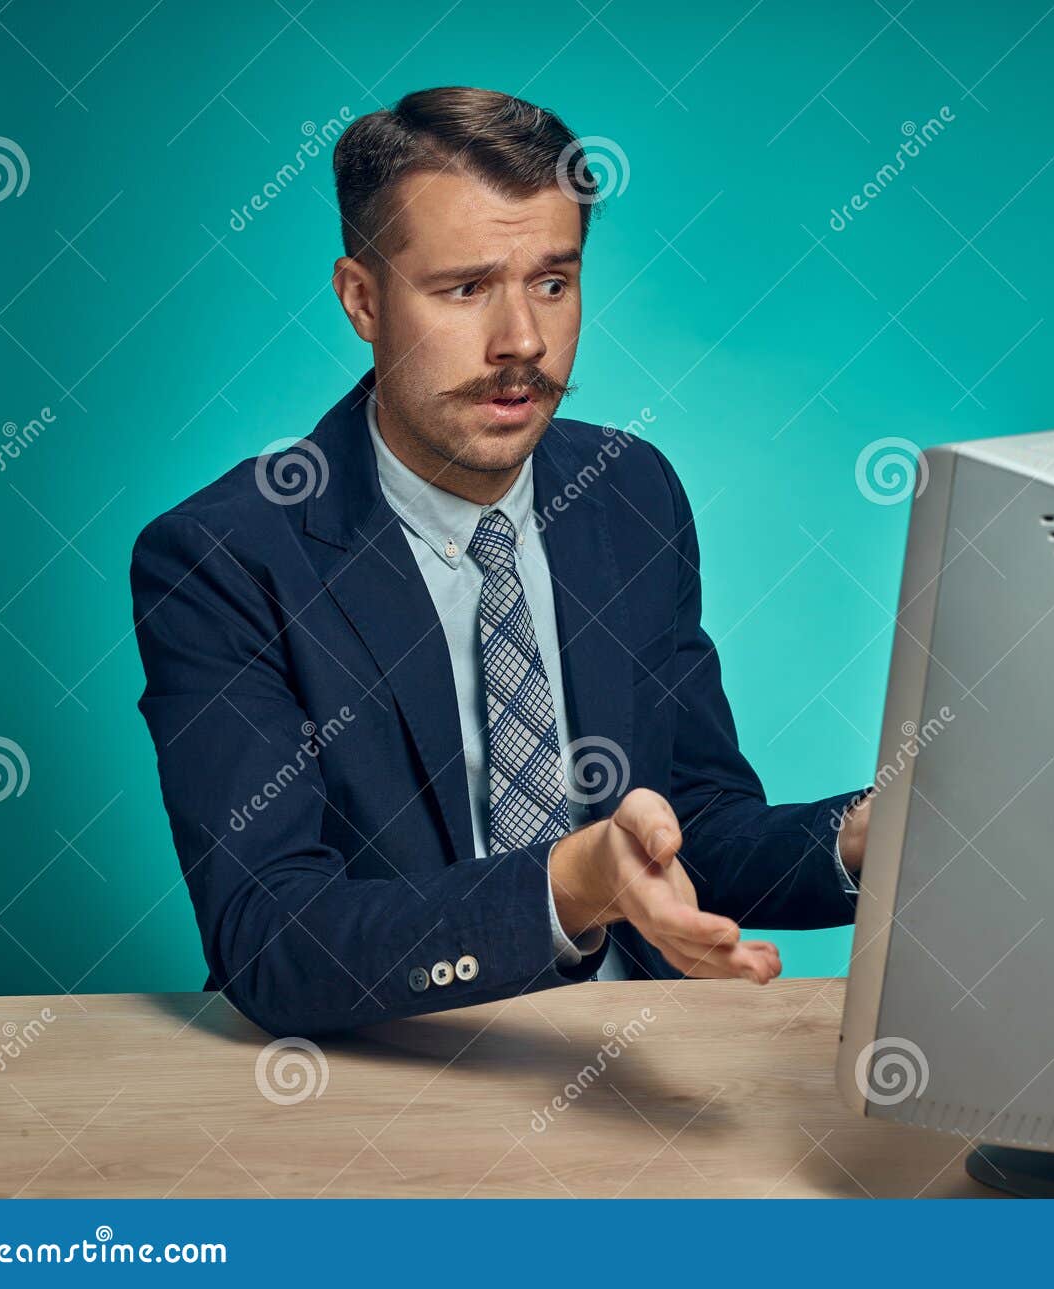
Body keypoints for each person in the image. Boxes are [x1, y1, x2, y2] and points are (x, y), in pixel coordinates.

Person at [129, 86, 873, 1037]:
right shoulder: (224, 558)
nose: (522, 340)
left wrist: (861, 837)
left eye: (552, 283)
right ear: (363, 299)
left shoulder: (630, 491)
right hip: (387, 1079)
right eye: (466, 288)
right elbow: (272, 940)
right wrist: (564, 888)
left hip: (634, 1056)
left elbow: (693, 824)